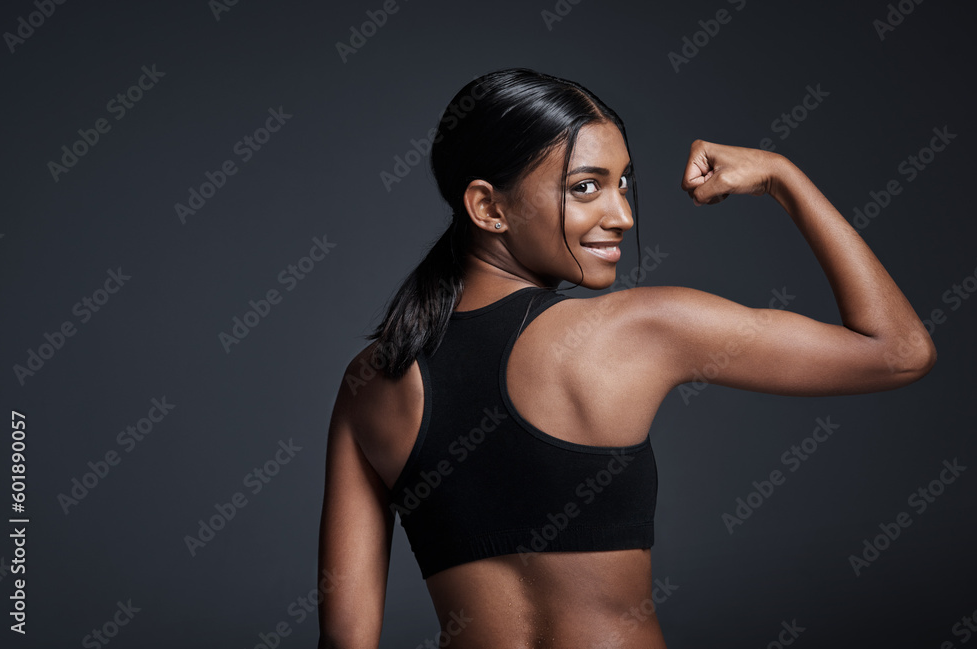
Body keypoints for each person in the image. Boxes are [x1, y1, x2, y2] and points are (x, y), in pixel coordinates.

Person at [316, 68, 936, 648]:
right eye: (586, 187)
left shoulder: (369, 380)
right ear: (488, 208)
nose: (623, 215)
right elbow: (899, 352)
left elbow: (346, 637)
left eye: (623, 184)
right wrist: (782, 176)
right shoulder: (640, 326)